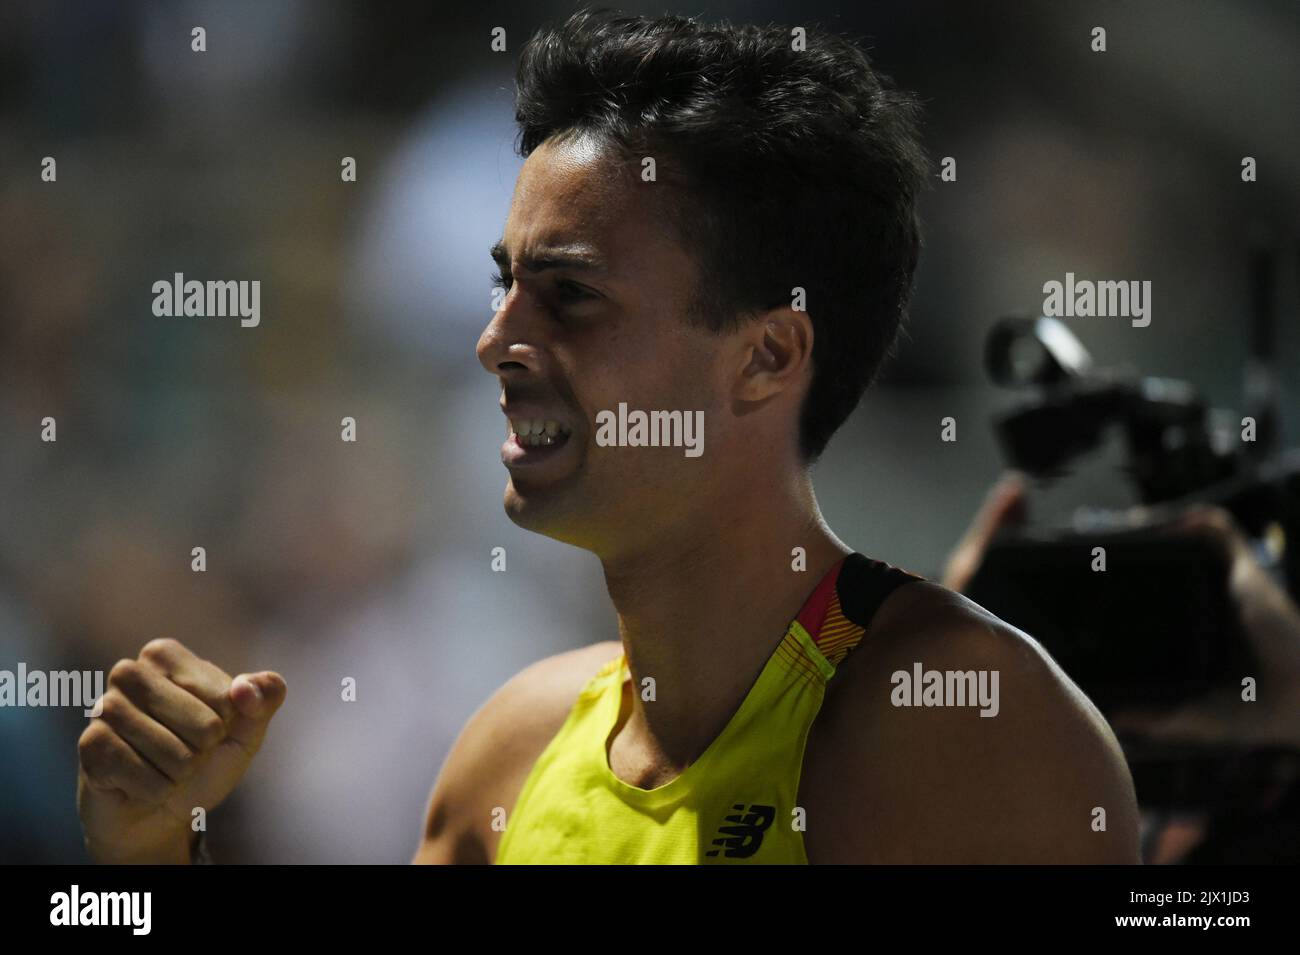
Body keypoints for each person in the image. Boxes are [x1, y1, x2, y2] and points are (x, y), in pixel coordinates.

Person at [76, 10, 1141, 865]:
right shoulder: (510, 751)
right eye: (505, 288)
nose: (495, 341)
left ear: (768, 356)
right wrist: (145, 855)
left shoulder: (958, 729)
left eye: (569, 295)